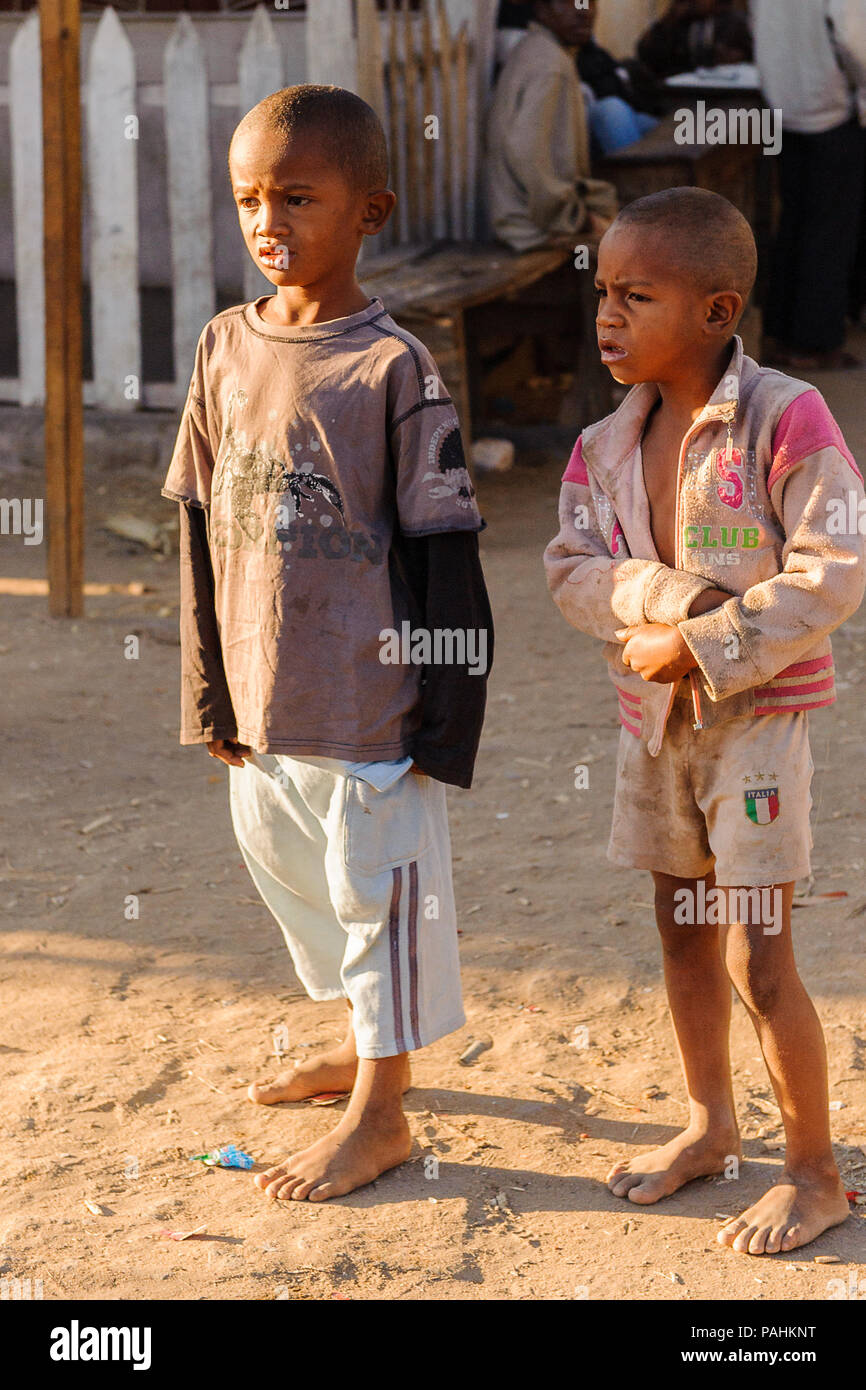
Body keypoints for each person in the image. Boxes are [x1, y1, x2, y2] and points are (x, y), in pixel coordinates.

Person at [161, 85, 493, 1203]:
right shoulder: (221, 345)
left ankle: (384, 1110)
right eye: (250, 197)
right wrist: (209, 691)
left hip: (367, 703)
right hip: (265, 702)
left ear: (369, 211)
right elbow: (197, 524)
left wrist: (444, 717)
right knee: (301, 885)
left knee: (381, 902)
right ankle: (361, 1050)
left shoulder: (393, 368)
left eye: (297, 196)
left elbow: (447, 550)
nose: (269, 221)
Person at [544, 187, 864, 1255]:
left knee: (758, 958)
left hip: (757, 727)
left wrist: (709, 643)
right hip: (651, 730)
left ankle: (812, 1172)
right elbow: (571, 572)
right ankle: (706, 1124)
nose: (607, 316)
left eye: (637, 296)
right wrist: (667, 604)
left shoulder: (785, 419)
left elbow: (832, 570)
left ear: (717, 310)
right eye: (602, 293)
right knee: (680, 935)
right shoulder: (600, 441)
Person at [752, 0, 866, 371]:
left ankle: (781, 333)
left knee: (795, 222)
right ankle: (815, 343)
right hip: (830, 107)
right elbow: (852, 39)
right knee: (830, 233)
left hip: (784, 107)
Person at [486, 0, 617, 252]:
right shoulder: (550, 64)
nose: (584, 11)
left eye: (589, 2)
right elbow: (526, 155)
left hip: (525, 218)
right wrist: (581, 219)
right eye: (570, 2)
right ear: (541, 9)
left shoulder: (539, 50)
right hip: (531, 228)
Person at [637, 0, 752, 81]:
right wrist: (669, 20)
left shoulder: (736, 22)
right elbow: (645, 54)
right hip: (680, 95)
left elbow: (753, 57)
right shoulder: (678, 22)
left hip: (726, 96)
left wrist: (737, 57)